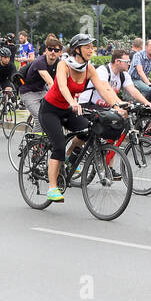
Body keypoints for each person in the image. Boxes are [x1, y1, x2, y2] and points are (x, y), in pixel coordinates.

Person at [37, 34, 126, 202]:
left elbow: (103, 89)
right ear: (77, 49)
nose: (91, 50)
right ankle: (52, 187)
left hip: (68, 110)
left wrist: (116, 106)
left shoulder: (89, 68)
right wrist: (72, 102)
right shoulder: (64, 65)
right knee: (58, 145)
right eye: (87, 47)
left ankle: (70, 159)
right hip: (50, 110)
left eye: (92, 47)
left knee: (88, 130)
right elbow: (62, 86)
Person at [18, 34, 63, 122]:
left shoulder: (58, 63)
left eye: (56, 50)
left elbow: (63, 80)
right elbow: (50, 83)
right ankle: (36, 135)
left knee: (57, 113)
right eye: (50, 49)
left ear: (60, 53)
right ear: (46, 50)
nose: (53, 52)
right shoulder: (40, 62)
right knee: (40, 119)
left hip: (41, 91)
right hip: (28, 92)